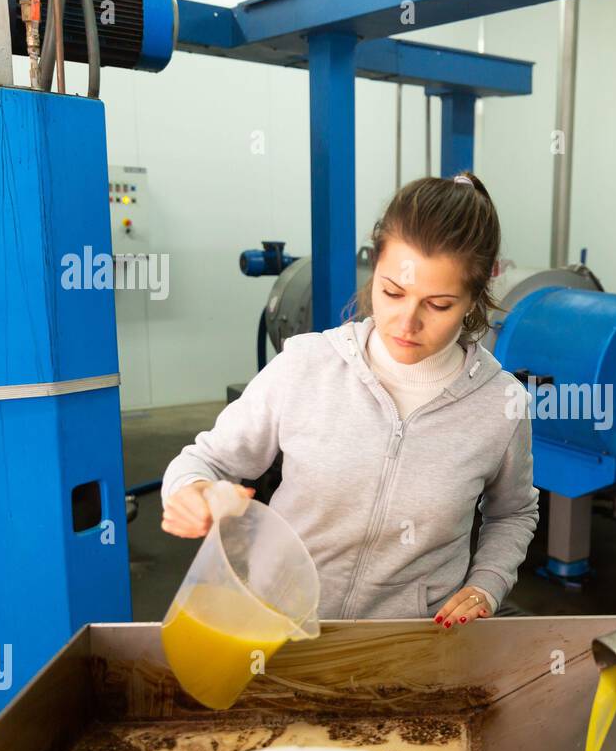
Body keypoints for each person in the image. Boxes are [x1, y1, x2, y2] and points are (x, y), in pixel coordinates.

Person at [160, 173, 539, 627]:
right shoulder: (307, 365)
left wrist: (487, 584)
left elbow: (514, 511)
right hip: (279, 632)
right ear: (374, 270)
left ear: (474, 298)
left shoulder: (499, 404)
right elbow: (204, 461)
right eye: (392, 292)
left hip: (409, 646)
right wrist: (194, 492)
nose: (406, 322)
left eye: (438, 305)